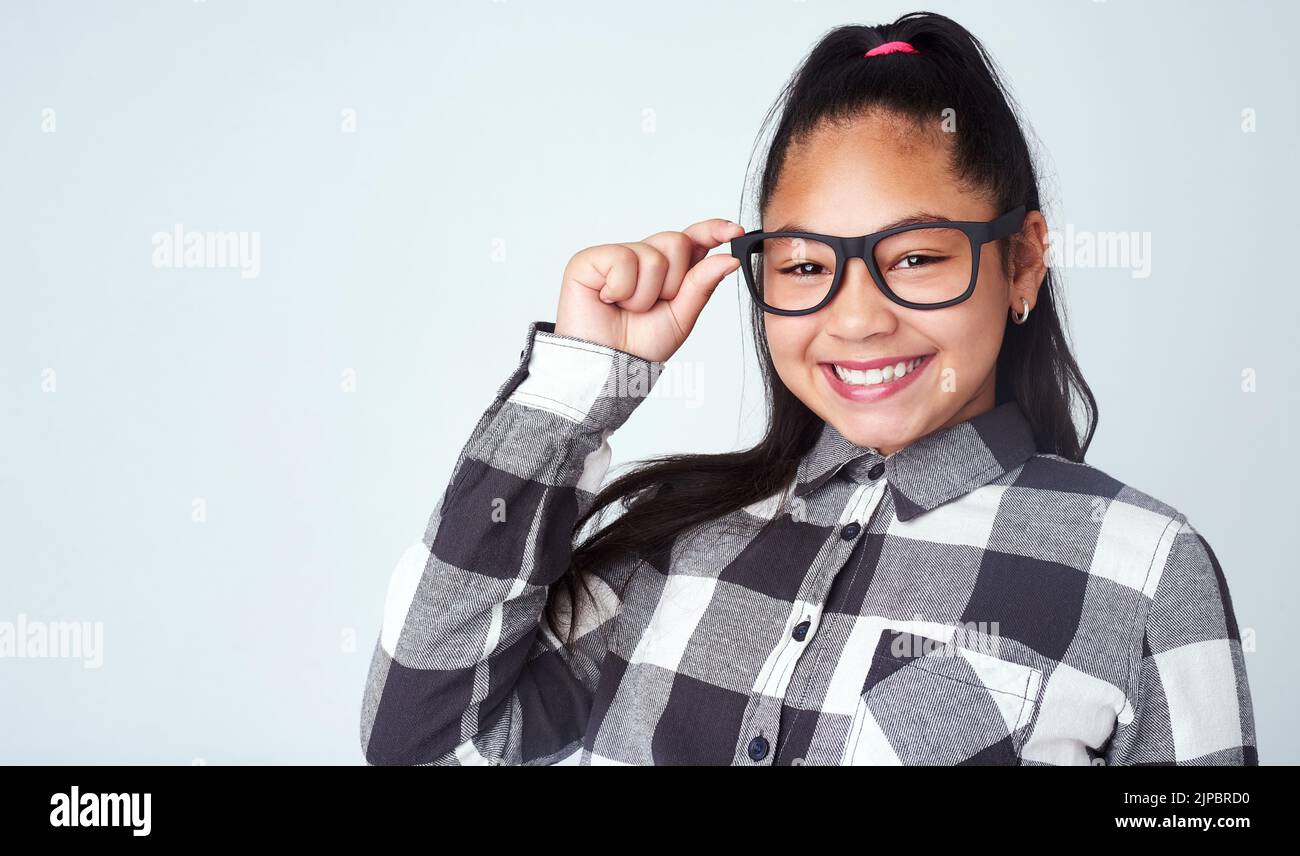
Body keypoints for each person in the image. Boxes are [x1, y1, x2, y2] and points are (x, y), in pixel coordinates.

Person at [360, 11, 1257, 766]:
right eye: (803, 266)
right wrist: (582, 382)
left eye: (915, 257)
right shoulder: (672, 539)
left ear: (1021, 262)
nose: (855, 318)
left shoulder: (1143, 570)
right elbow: (423, 738)